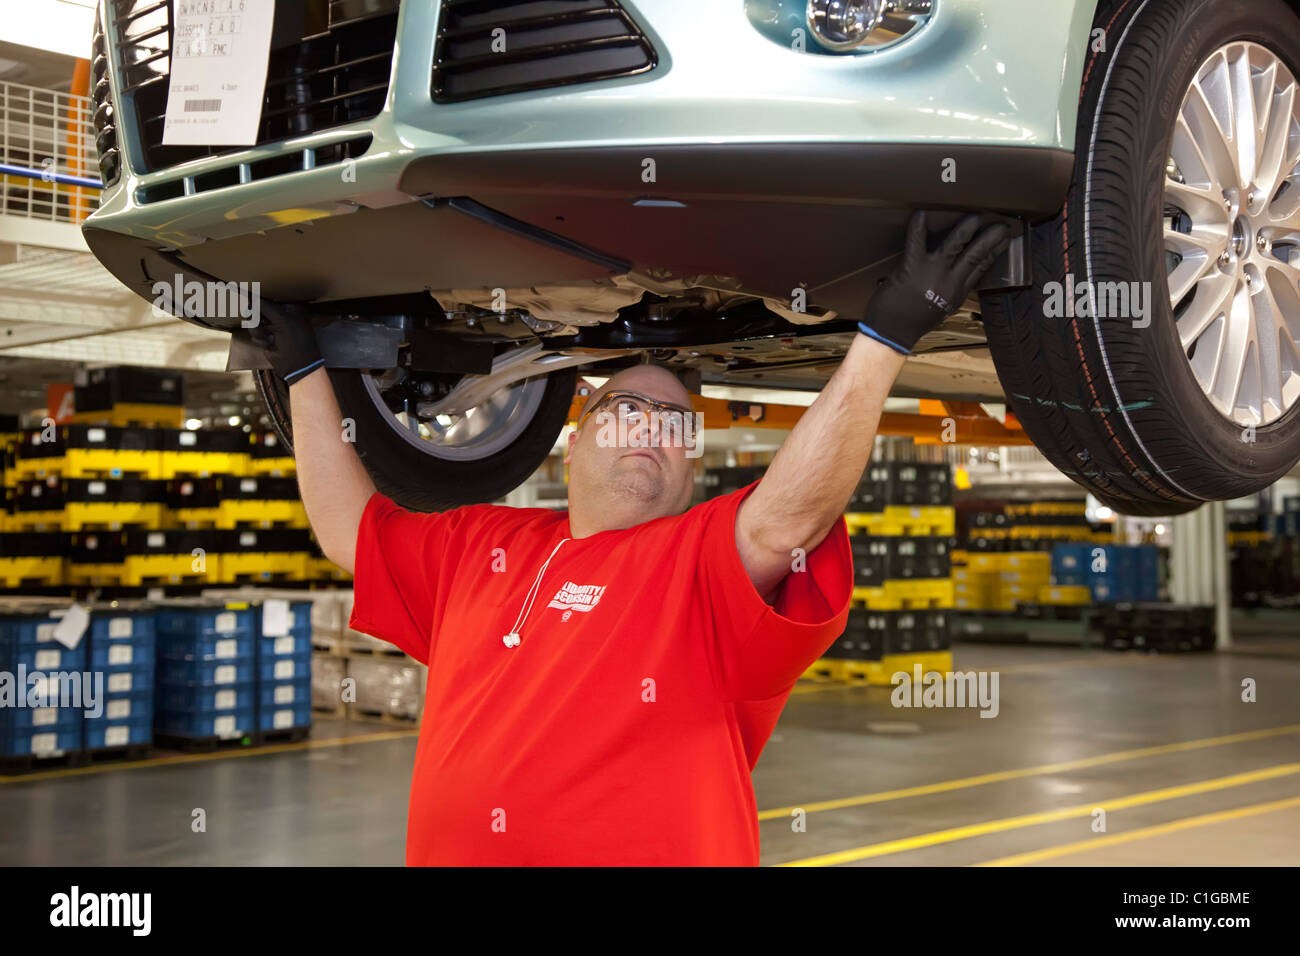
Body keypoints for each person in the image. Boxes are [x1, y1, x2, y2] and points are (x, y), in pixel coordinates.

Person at [255, 211, 1010, 865]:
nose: (651, 426)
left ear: (693, 464)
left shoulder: (699, 566)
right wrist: (305, 370)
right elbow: (347, 530)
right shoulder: (479, 546)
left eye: (675, 423)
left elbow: (785, 519)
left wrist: (887, 335)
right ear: (572, 441)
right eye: (625, 408)